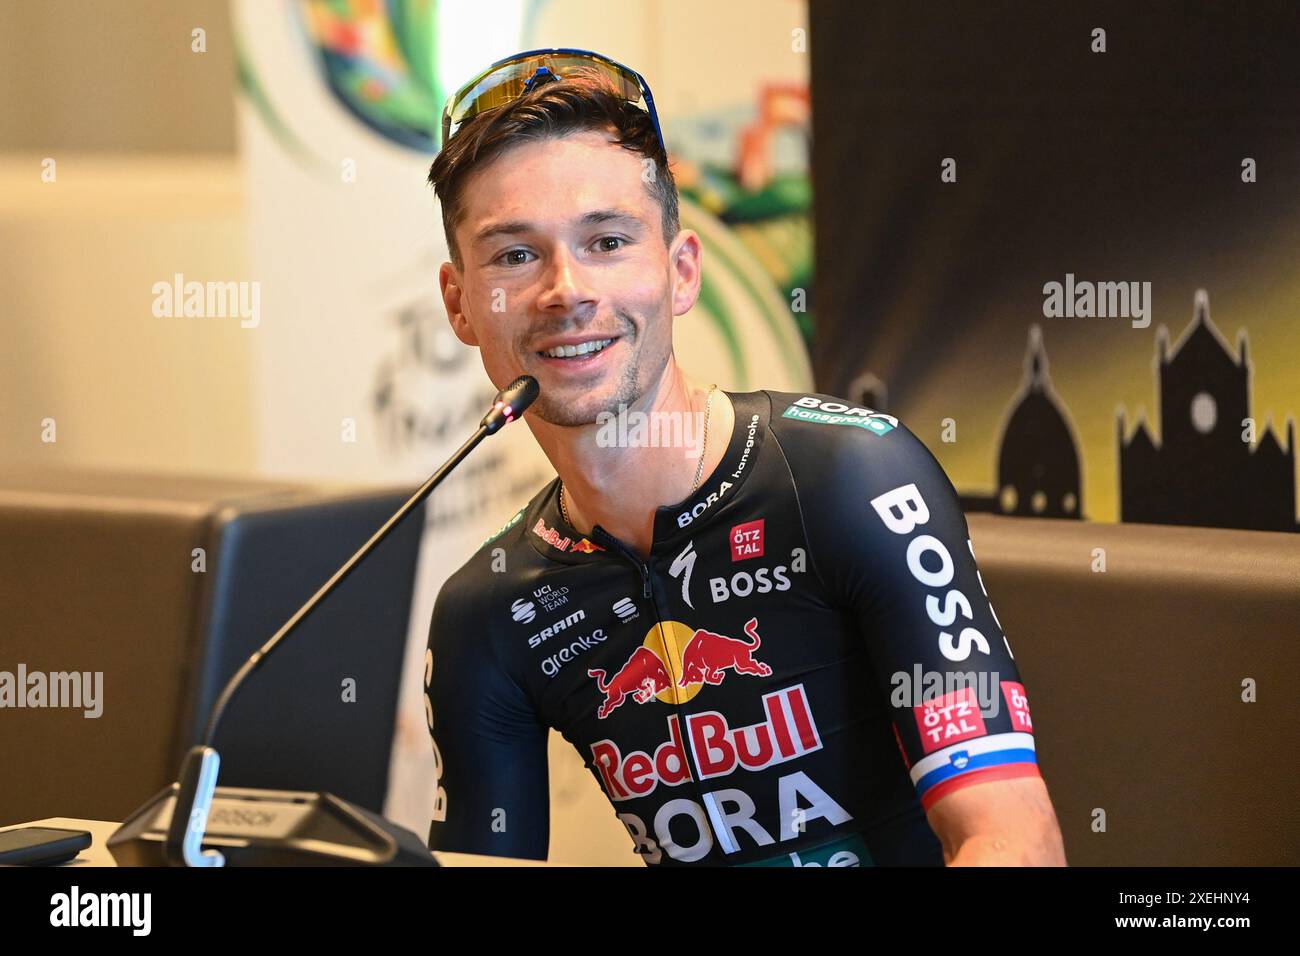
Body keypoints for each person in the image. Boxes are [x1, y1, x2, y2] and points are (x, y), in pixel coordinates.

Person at [422, 48, 1066, 866]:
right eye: (515, 254)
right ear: (460, 303)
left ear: (680, 271)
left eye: (609, 241)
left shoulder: (850, 478)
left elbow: (1013, 838)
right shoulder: (490, 611)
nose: (566, 290)